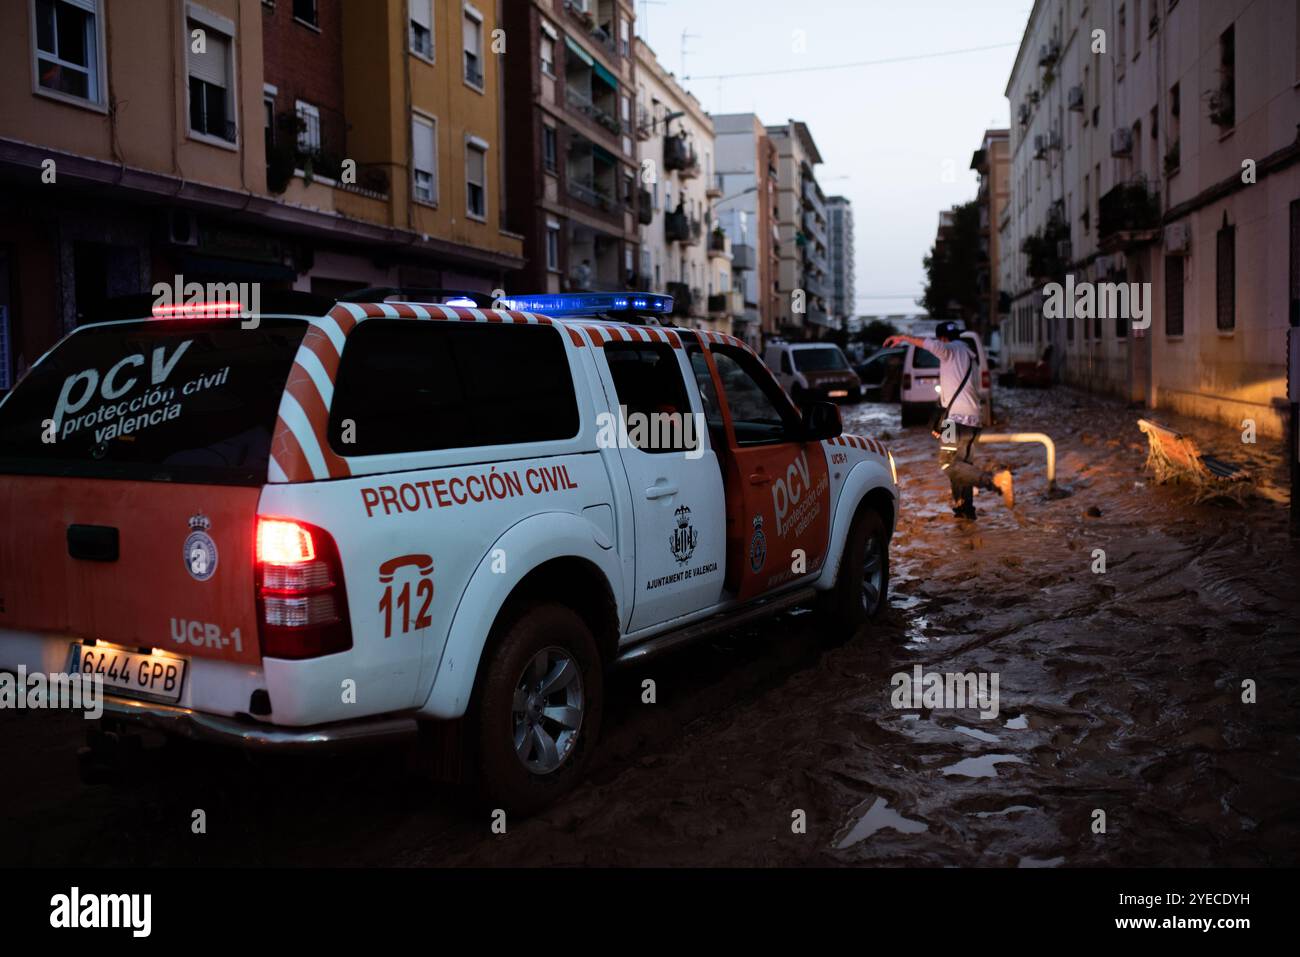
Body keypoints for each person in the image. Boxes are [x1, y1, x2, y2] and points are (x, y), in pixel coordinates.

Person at [884, 323, 1014, 520]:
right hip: (972, 420)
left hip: (954, 421)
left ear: (943, 339)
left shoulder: (950, 350)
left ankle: (995, 481)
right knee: (963, 465)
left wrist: (903, 338)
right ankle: (964, 508)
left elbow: (928, 345)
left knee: (947, 464)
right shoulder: (971, 357)